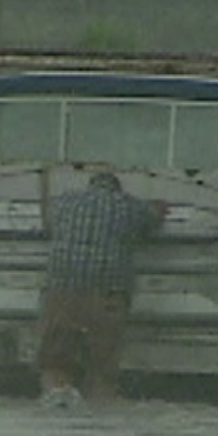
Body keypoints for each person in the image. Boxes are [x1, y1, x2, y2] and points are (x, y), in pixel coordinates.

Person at [37, 171, 167, 402]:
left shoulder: (66, 201)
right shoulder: (130, 206)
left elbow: (49, 222)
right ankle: (99, 417)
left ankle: (56, 399)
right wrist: (158, 208)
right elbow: (154, 219)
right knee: (103, 369)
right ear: (117, 188)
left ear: (90, 185)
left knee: (55, 361)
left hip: (62, 287)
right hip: (108, 291)